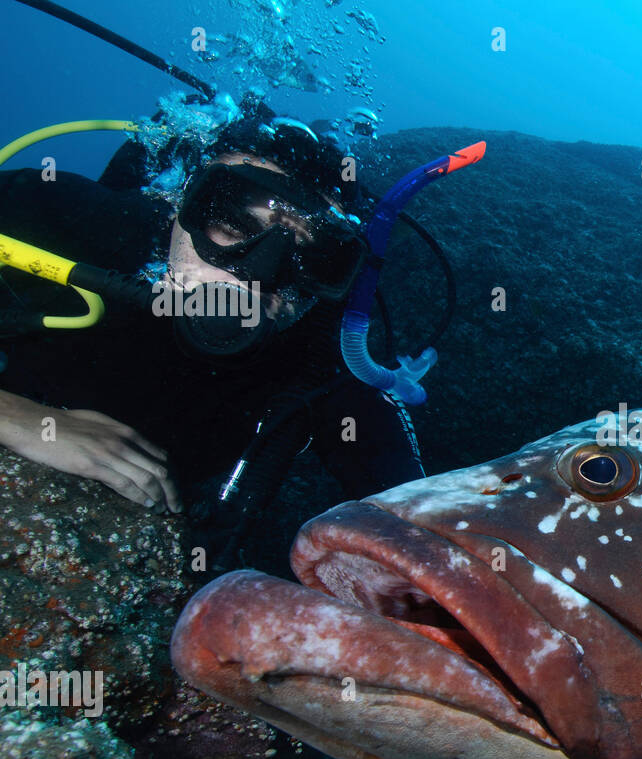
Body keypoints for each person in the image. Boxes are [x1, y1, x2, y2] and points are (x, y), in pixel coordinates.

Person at [0, 99, 425, 571]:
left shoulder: (321, 365)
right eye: (230, 221)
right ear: (180, 202)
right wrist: (18, 417)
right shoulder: (55, 220)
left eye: (310, 255)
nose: (258, 275)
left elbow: (418, 520)